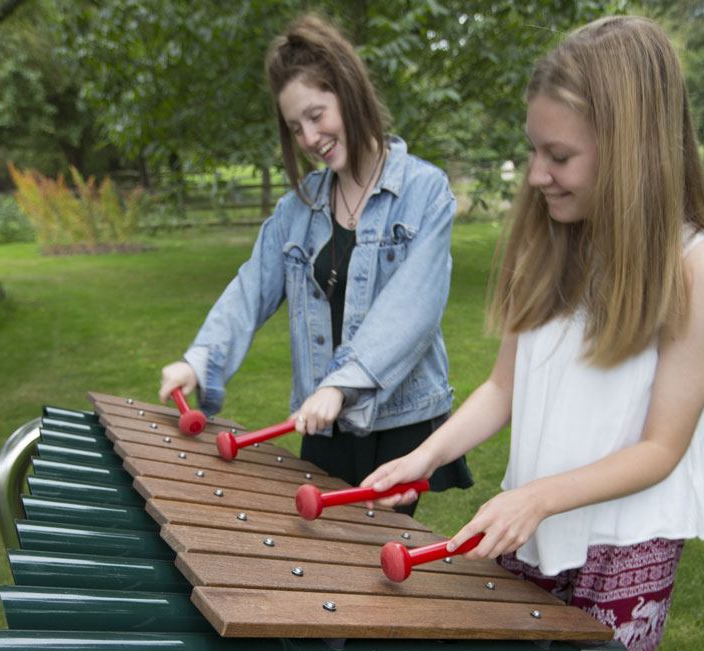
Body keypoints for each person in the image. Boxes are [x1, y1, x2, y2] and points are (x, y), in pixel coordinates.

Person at [361, 15, 704, 651]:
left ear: (633, 150)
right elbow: (504, 386)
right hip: (533, 509)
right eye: (534, 150)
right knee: (523, 650)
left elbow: (662, 448)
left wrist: (537, 497)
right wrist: (423, 456)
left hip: (626, 532)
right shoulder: (550, 246)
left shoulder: (699, 269)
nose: (536, 175)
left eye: (559, 156)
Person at [159, 14, 471, 508]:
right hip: (322, 420)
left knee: (371, 549)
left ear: (349, 93)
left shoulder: (424, 191)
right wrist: (198, 361)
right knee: (314, 543)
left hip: (397, 421)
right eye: (295, 127)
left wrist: (340, 385)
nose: (308, 137)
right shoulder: (297, 210)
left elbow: (413, 308)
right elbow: (250, 290)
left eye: (316, 115)